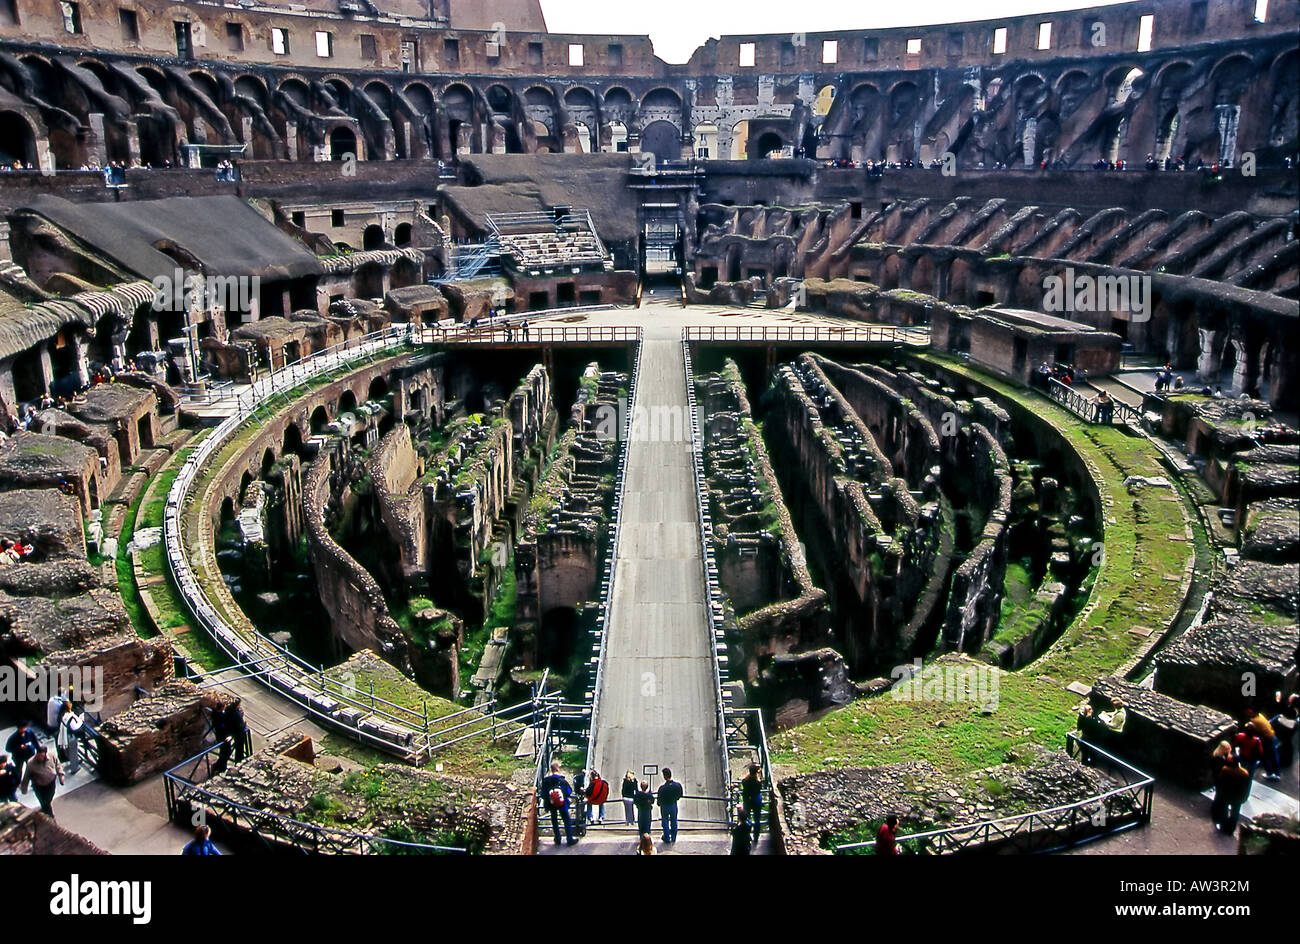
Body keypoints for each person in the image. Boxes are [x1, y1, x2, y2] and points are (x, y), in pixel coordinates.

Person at [1211, 751, 1251, 835]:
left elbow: (1221, 781)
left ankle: (1223, 826)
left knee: (1224, 810)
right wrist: (1244, 797)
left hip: (1226, 794)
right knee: (1235, 813)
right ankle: (1230, 829)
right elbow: (1246, 786)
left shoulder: (1225, 770)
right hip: (1238, 797)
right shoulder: (1244, 773)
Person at [21, 745, 63, 817]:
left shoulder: (51, 756)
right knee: (43, 801)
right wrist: (24, 789)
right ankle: (49, 815)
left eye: (42, 756)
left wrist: (61, 775)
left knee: (48, 799)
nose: (40, 758)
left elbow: (58, 764)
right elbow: (26, 777)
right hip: (39, 786)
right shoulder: (31, 763)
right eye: (38, 756)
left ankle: (45, 810)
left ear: (45, 754)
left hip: (50, 783)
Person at [541, 760, 577, 846]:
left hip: (551, 803)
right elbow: (568, 792)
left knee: (554, 820)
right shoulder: (562, 780)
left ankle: (557, 838)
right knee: (566, 820)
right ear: (558, 768)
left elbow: (543, 794)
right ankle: (569, 839)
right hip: (562, 803)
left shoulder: (546, 781)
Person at [1245, 709, 1281, 781]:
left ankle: (1270, 773)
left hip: (1267, 740)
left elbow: (1248, 726)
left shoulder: (1254, 720)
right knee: (1274, 756)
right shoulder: (1260, 716)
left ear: (1253, 713)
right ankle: (1277, 774)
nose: (1248, 713)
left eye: (1250, 712)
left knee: (1264, 757)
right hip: (1273, 737)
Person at [656, 767, 683, 844]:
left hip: (664, 806)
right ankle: (674, 837)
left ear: (664, 776)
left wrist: (659, 803)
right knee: (674, 821)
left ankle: (667, 837)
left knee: (665, 821)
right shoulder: (677, 785)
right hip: (673, 804)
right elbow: (680, 794)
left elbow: (659, 799)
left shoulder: (662, 788)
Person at [740, 763, 763, 839]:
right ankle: (756, 836)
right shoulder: (758, 782)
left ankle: (747, 834)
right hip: (756, 800)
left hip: (747, 801)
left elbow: (743, 782)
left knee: (747, 817)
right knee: (757, 819)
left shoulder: (746, 781)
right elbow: (759, 786)